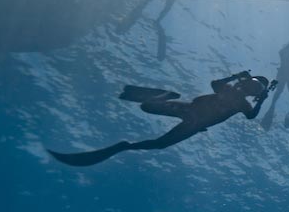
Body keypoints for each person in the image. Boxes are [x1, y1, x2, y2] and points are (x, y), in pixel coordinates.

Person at [48, 71, 274, 166]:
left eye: (255, 89)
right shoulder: (232, 93)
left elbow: (251, 116)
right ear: (247, 84)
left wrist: (261, 99)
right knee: (147, 107)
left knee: (159, 144)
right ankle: (166, 95)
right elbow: (216, 85)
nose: (251, 89)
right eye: (252, 85)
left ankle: (123, 146)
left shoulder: (241, 102)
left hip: (194, 123)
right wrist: (237, 77)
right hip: (192, 113)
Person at [261, 39, 289, 129]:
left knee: (283, 92)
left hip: (286, 75)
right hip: (288, 75)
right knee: (284, 92)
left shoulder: (284, 52)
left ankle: (275, 107)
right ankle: (288, 110)